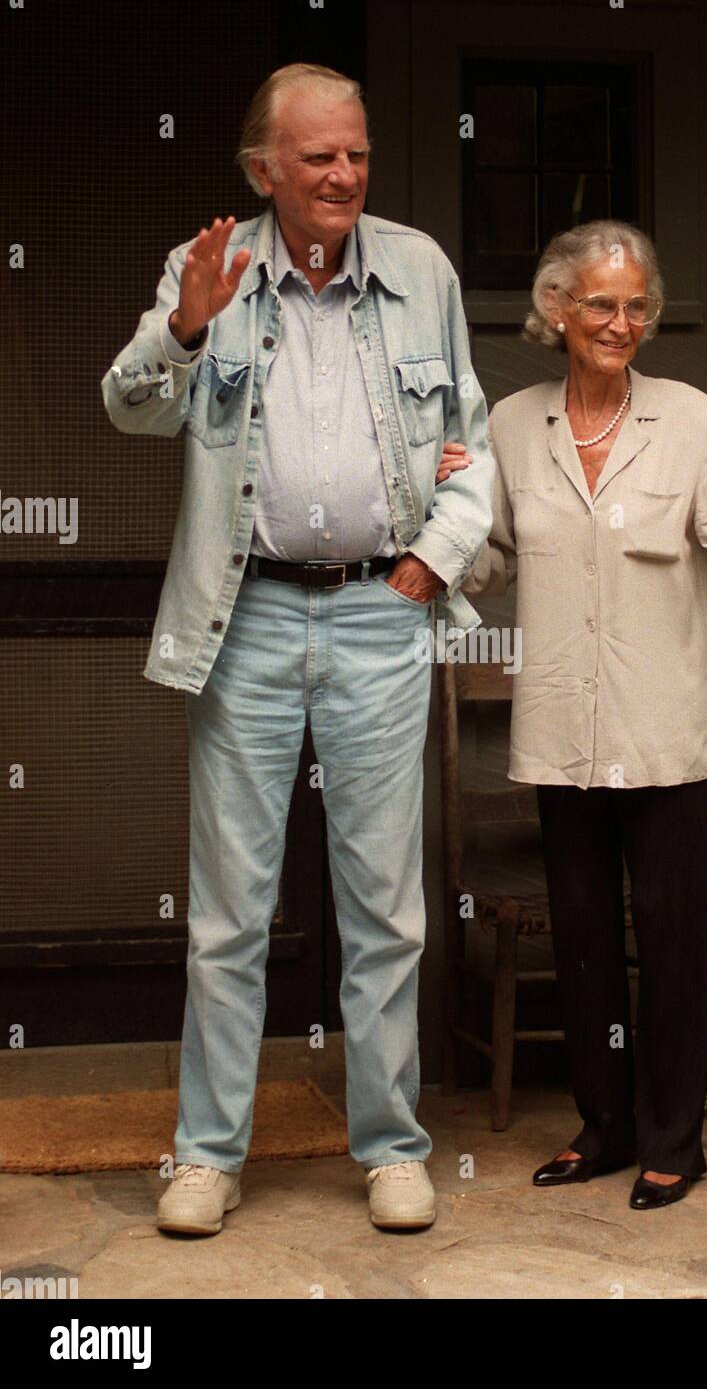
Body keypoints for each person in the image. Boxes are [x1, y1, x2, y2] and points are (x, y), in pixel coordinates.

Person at [101, 62, 493, 1235]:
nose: (342, 176)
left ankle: (389, 1145)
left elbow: (469, 444)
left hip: (382, 609)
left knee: (386, 905)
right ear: (263, 168)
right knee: (229, 911)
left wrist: (430, 560)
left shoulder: (420, 270)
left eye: (357, 154)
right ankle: (207, 1155)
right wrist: (184, 325)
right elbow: (129, 405)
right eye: (318, 157)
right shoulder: (204, 268)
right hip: (249, 613)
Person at [459, 219, 707, 1210]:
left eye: (635, 306)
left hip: (659, 734)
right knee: (580, 946)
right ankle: (604, 1126)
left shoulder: (695, 422)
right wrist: (439, 519)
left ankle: (673, 1137)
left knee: (667, 943)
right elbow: (487, 557)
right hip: (560, 735)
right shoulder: (509, 425)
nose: (618, 322)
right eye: (599, 303)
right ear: (556, 310)